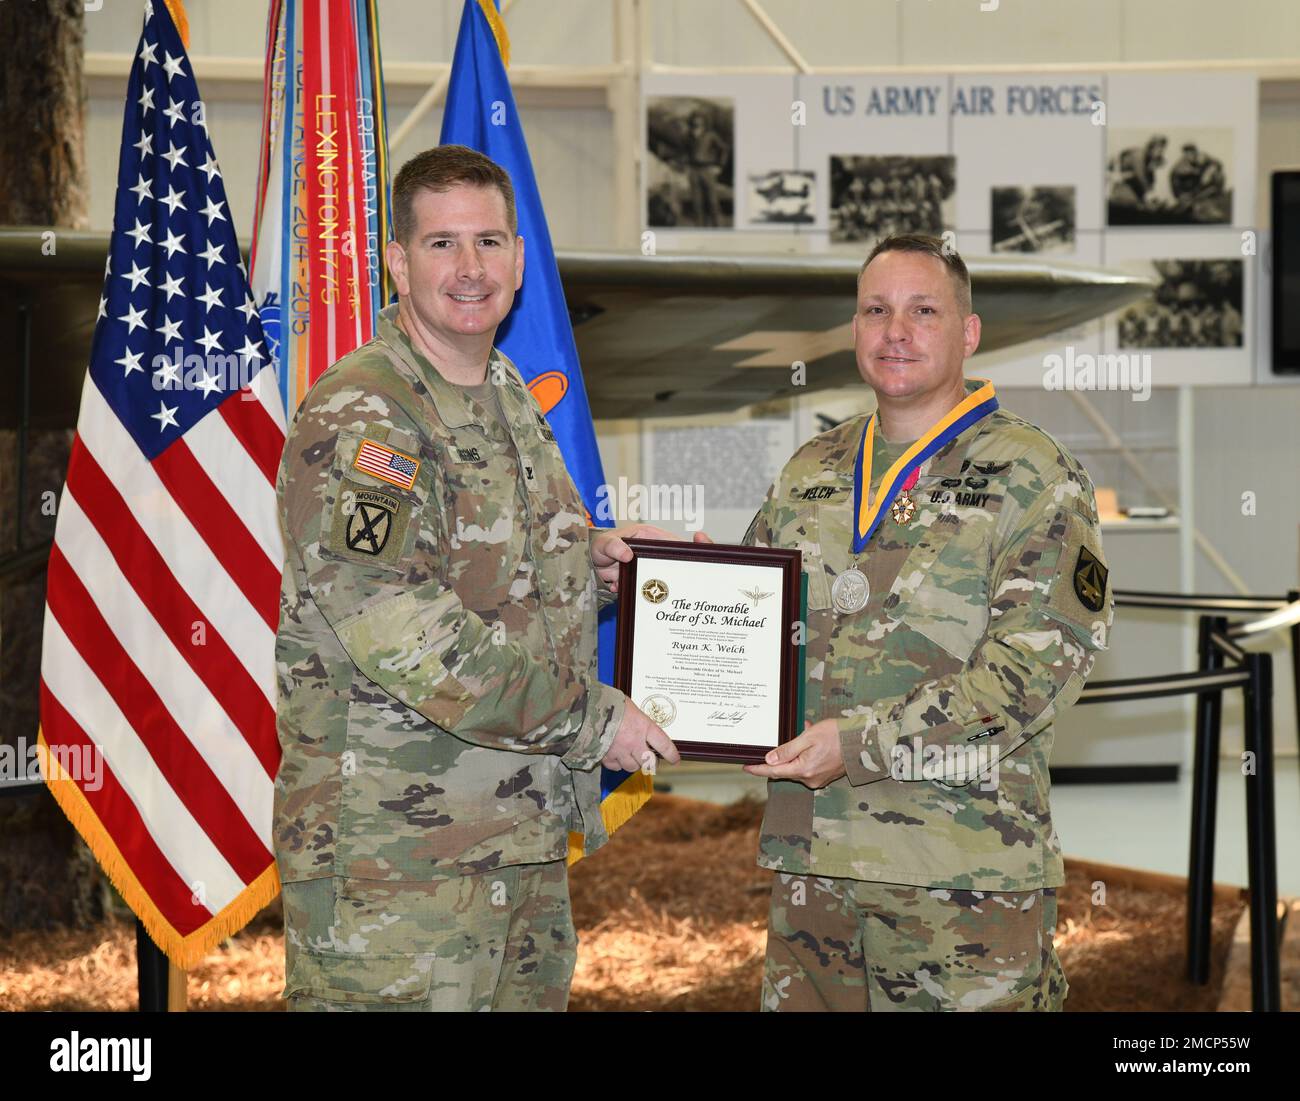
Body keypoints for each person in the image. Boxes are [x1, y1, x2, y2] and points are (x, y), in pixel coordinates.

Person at [273, 144, 686, 1012]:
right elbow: (404, 630)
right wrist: (591, 718)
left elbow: (492, 573)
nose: (471, 268)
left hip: (518, 843)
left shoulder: (502, 391)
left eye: (491, 242)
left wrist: (599, 565)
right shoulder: (367, 415)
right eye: (441, 244)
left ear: (521, 256)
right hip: (401, 872)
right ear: (396, 259)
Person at [742, 233, 1113, 1012]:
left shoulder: (1034, 476)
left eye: (923, 310)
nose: (895, 331)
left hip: (960, 878)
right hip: (814, 866)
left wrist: (860, 744)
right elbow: (750, 616)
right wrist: (669, 587)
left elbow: (1030, 676)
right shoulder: (813, 470)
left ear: (968, 333)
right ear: (854, 328)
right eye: (876, 310)